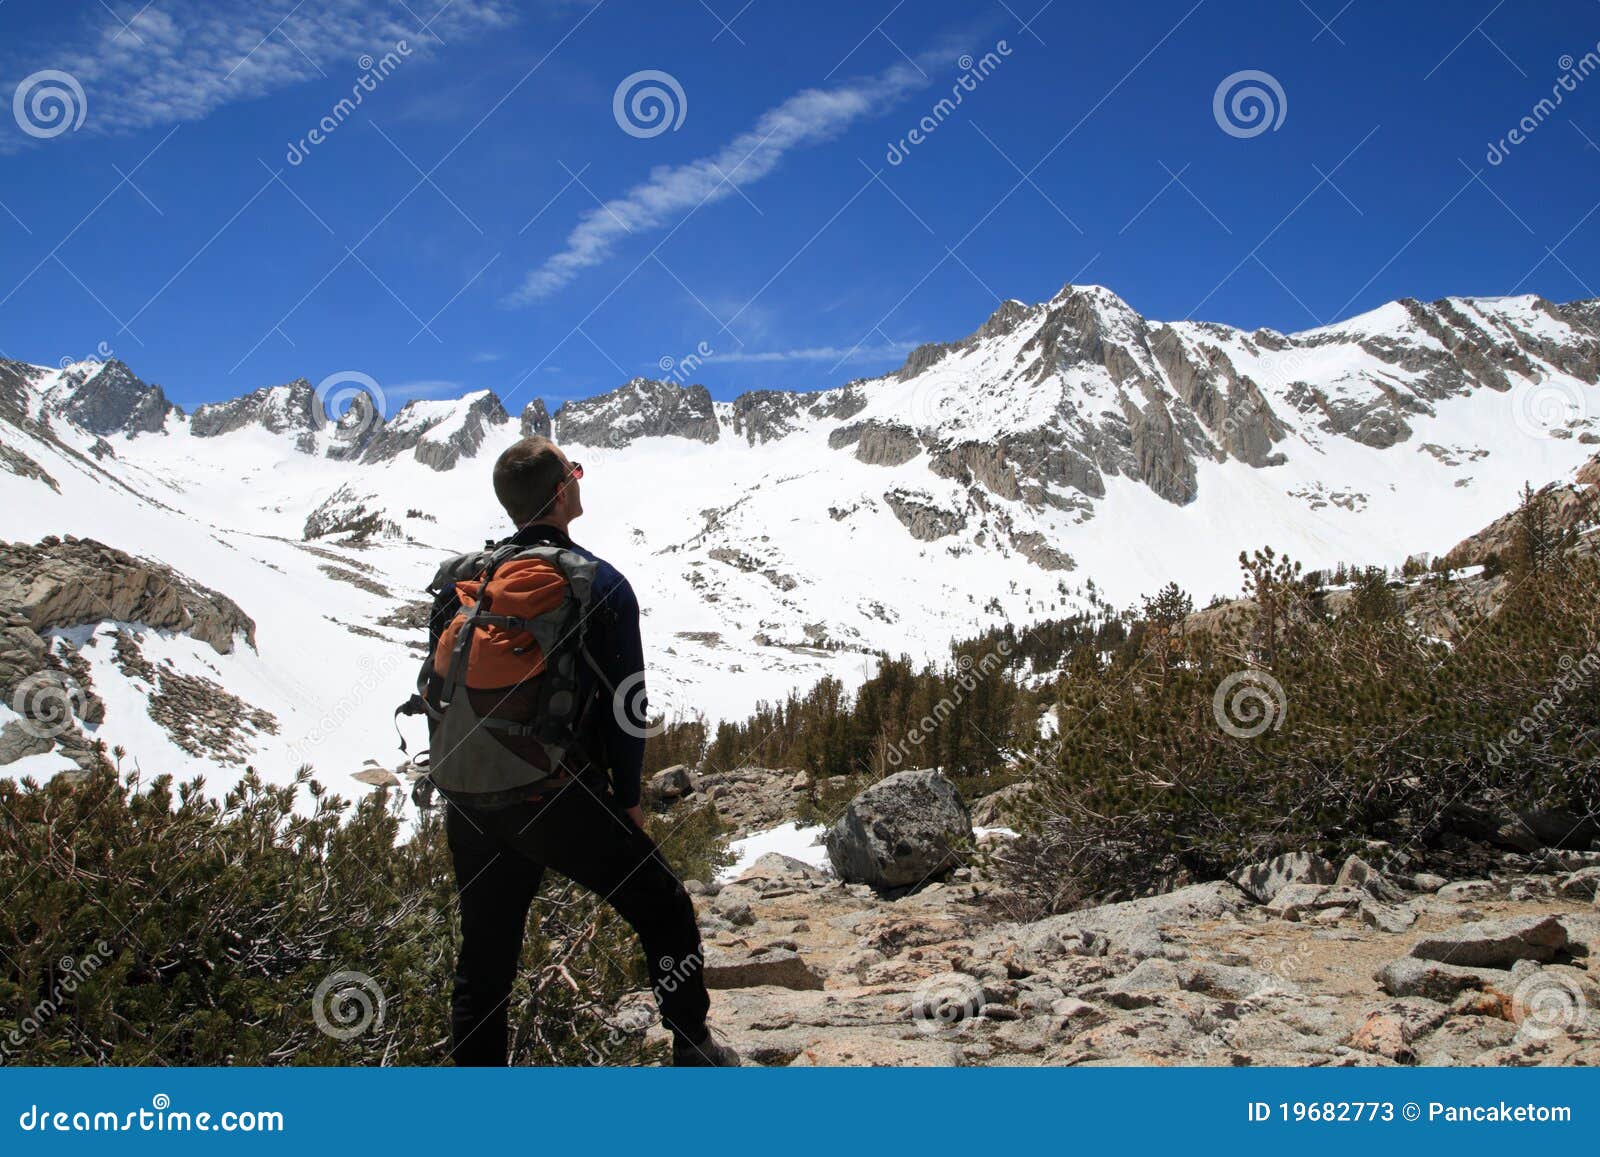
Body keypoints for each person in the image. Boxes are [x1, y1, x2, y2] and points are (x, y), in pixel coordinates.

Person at [429, 435, 738, 1067]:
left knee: (484, 961)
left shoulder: (462, 578)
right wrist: (626, 799)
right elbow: (629, 702)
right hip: (552, 793)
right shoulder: (598, 582)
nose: (578, 479)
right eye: (574, 470)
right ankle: (694, 1049)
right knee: (664, 907)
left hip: (467, 788)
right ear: (563, 490)